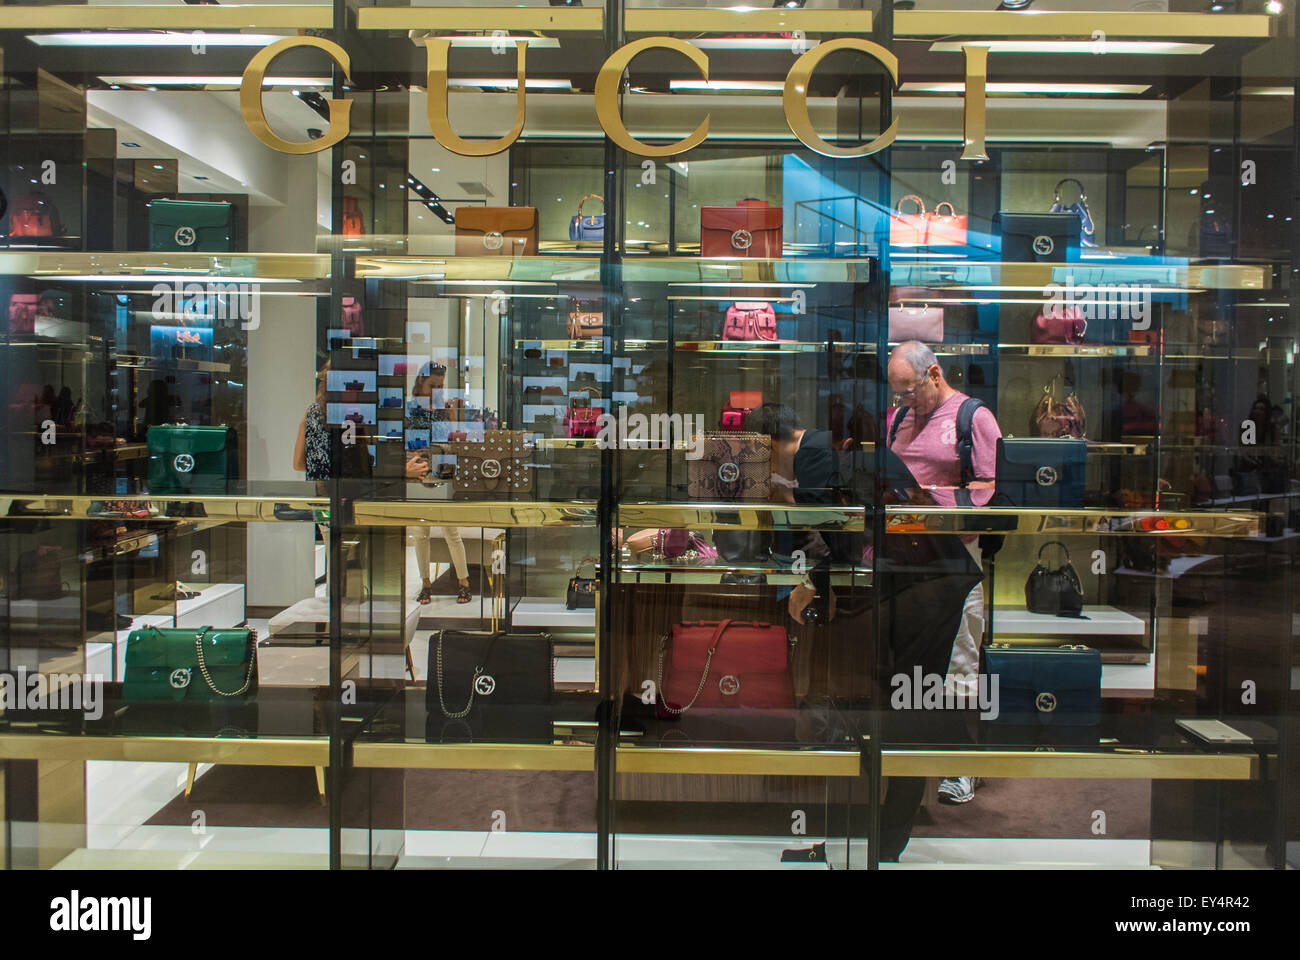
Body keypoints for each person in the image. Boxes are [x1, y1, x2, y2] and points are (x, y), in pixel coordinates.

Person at [885, 340, 1002, 808]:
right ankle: (915, 753)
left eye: (909, 391)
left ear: (934, 374)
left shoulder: (973, 417)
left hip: (954, 558)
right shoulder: (899, 419)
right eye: (897, 394)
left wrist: (933, 501)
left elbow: (993, 489)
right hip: (906, 557)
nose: (904, 402)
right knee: (914, 660)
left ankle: (962, 765)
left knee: (958, 657)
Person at [407, 359, 472, 605]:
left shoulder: (445, 408)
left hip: (443, 474)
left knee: (450, 531)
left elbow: (454, 439)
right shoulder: (411, 409)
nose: (437, 390)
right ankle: (425, 583)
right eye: (433, 385)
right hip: (420, 473)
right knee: (420, 532)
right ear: (421, 382)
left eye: (441, 386)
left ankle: (463, 582)